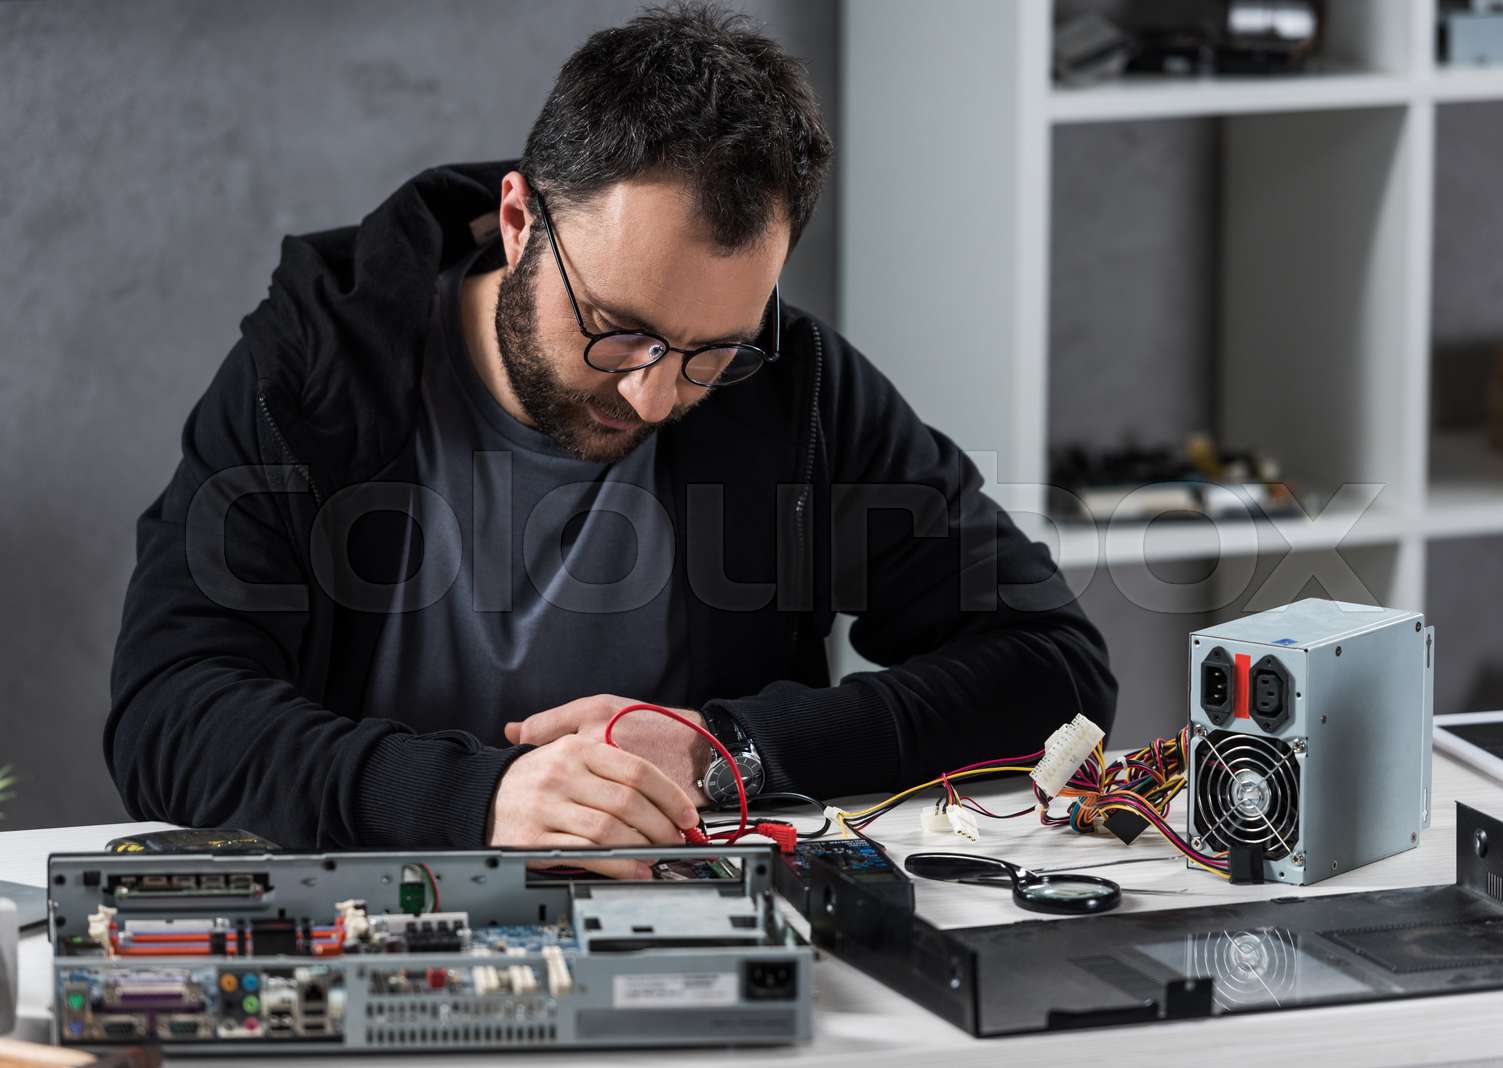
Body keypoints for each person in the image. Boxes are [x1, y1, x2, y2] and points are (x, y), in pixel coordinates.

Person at [107, 3, 1116, 877]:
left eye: (708, 351)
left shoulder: (792, 385)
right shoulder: (314, 371)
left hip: (703, 946)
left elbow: (1051, 664)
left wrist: (731, 750)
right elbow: (170, 713)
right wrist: (481, 801)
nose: (651, 393)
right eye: (616, 328)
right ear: (517, 220)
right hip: (373, 933)